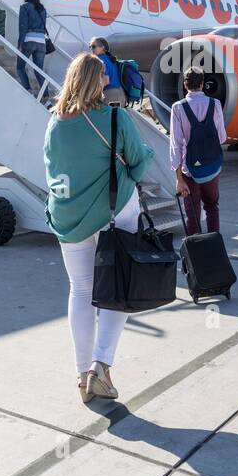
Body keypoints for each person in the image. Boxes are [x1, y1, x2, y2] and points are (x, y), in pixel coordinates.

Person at [44, 52, 154, 404]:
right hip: (113, 214)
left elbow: (54, 172)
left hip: (68, 218)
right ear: (96, 80)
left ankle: (81, 373)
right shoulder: (115, 118)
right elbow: (138, 162)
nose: (108, 80)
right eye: (104, 76)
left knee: (80, 291)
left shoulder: (54, 123)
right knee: (116, 290)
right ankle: (101, 368)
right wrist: (134, 169)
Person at [169, 68, 227, 236]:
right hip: (212, 168)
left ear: (185, 85)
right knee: (212, 208)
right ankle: (215, 249)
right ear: (202, 84)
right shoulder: (215, 104)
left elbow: (175, 145)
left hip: (189, 171)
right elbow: (222, 138)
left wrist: (178, 179)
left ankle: (196, 256)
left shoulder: (178, 108)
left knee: (193, 215)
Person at [16, 0, 50, 97]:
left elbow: (23, 27)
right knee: (38, 70)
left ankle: (28, 90)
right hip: (41, 43)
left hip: (29, 40)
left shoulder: (24, 7)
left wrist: (20, 43)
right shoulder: (42, 9)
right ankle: (45, 96)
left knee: (20, 67)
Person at [90, 37, 127, 106]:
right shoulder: (110, 58)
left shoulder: (100, 60)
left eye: (93, 46)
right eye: (90, 47)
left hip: (110, 95)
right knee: (116, 116)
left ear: (102, 47)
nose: (91, 49)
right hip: (120, 93)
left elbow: (106, 81)